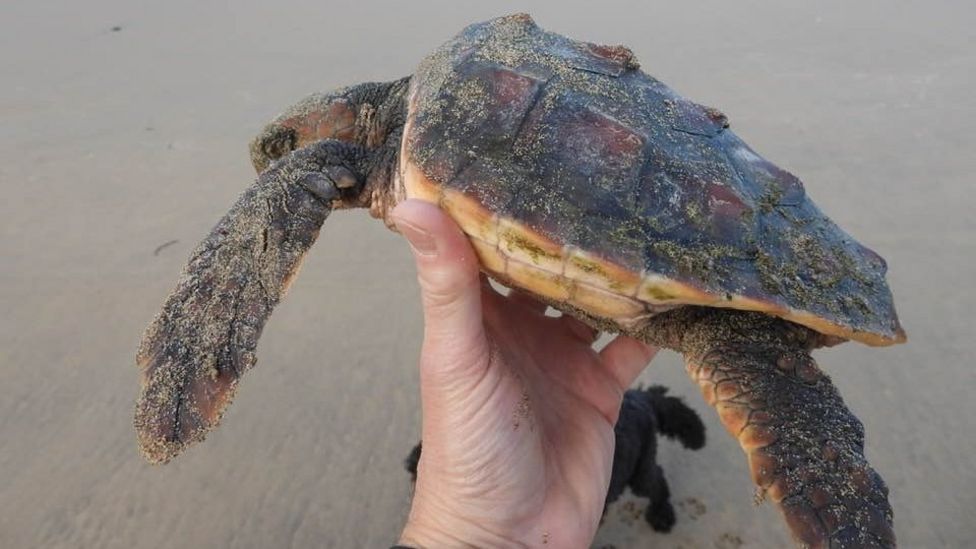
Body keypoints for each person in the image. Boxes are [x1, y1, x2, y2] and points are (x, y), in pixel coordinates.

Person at [390, 199, 660, 548]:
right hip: (596, 415)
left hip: (607, 422)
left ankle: (660, 495)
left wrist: (460, 532)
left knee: (647, 479)